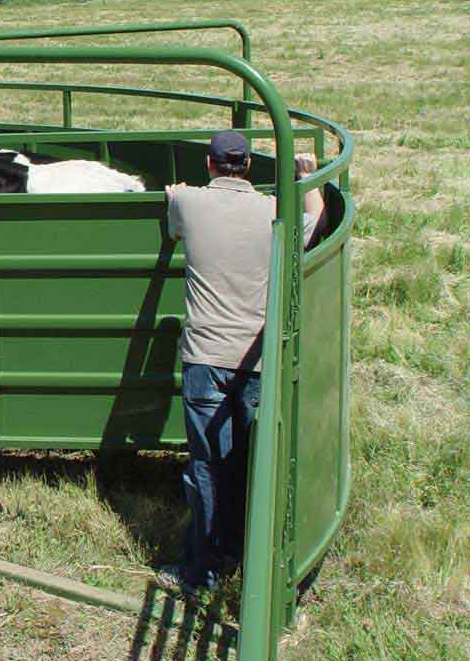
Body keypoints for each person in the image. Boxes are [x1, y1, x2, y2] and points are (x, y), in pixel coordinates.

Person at [156, 130, 326, 594]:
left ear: (209, 165)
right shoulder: (274, 211)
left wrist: (176, 192)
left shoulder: (189, 204)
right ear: (248, 166)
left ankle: (203, 571)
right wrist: (307, 179)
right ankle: (262, 563)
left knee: (209, 464)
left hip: (205, 357)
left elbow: (172, 216)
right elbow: (317, 225)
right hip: (258, 358)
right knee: (256, 462)